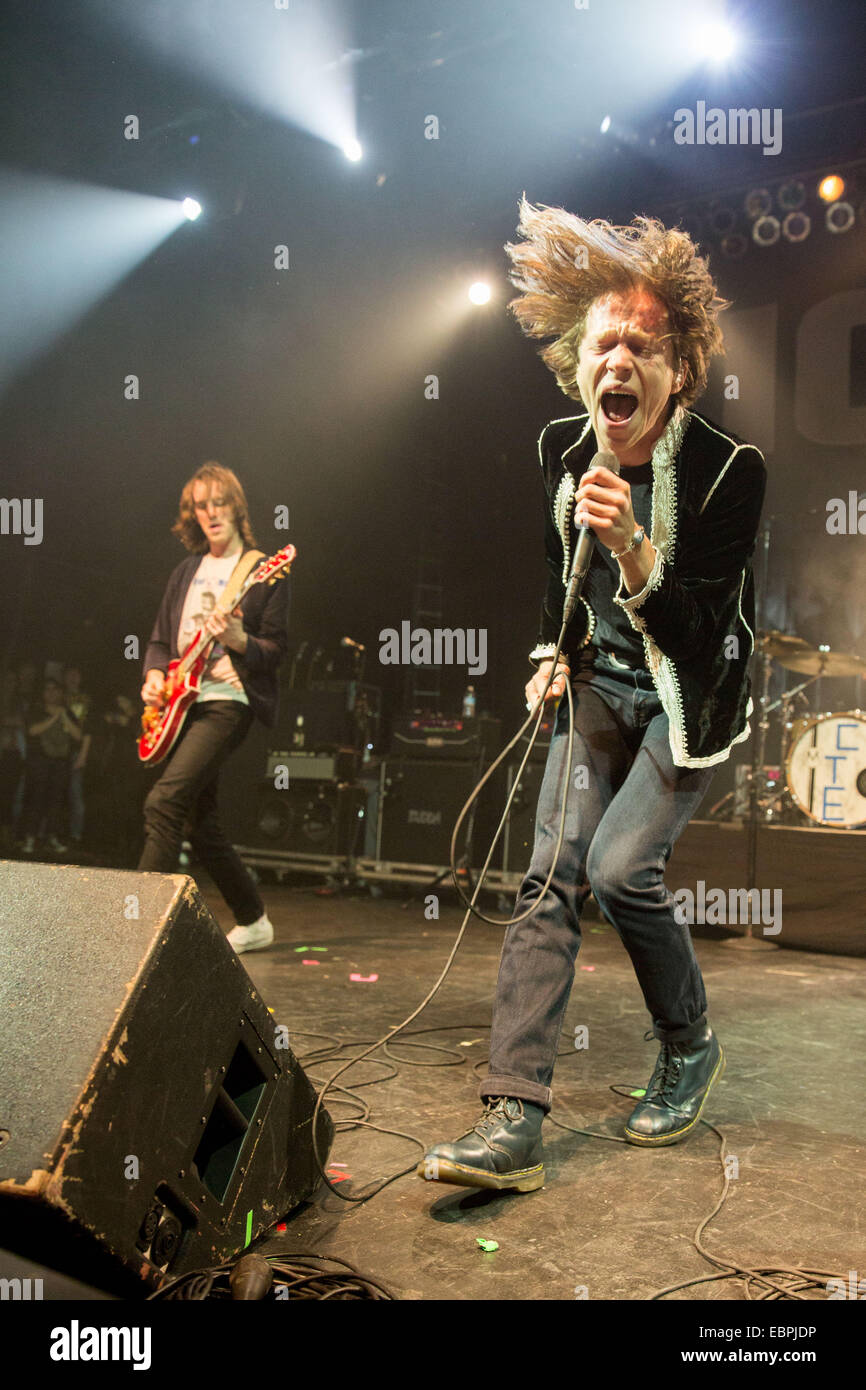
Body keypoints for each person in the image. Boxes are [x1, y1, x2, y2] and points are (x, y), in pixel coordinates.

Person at [420, 200, 767, 1192]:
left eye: (641, 347)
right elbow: (552, 572)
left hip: (685, 698)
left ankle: (689, 1044)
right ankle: (512, 1112)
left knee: (619, 870)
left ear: (678, 369)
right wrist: (554, 650)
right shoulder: (559, 451)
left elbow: (699, 633)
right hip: (600, 687)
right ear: (580, 360)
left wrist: (629, 543)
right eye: (603, 343)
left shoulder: (727, 472)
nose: (618, 361)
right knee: (547, 875)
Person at [138, 462, 289, 953]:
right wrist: (156, 675)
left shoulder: (261, 570)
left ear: (236, 507)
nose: (211, 513)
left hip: (228, 700)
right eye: (201, 506)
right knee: (201, 825)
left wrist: (241, 639)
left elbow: (275, 652)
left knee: (165, 800)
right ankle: (254, 918)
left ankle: (134, 926)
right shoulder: (187, 571)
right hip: (181, 703)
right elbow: (161, 639)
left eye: (219, 502)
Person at [20, 675, 82, 855]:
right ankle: (29, 838)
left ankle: (52, 837)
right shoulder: (36, 710)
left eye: (55, 690)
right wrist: (53, 718)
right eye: (48, 689)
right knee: (36, 800)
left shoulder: (67, 712)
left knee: (56, 801)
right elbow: (32, 730)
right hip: (40, 762)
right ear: (43, 693)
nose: (52, 693)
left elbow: (78, 735)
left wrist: (63, 716)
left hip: (61, 764)